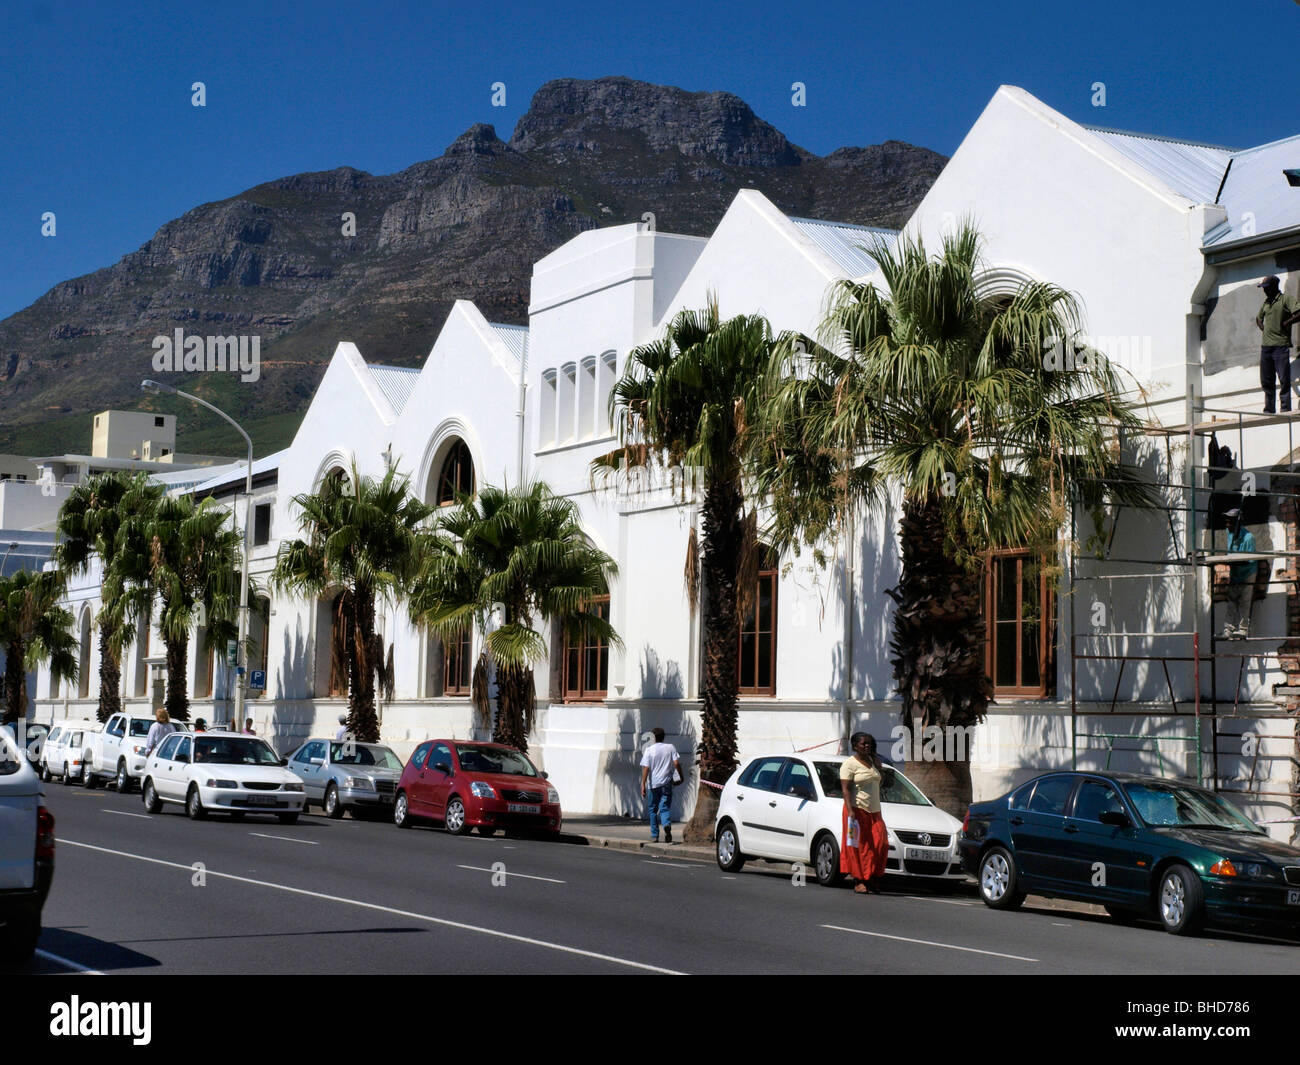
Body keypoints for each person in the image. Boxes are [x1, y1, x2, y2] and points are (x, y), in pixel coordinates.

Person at [839, 732, 889, 895]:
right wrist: (851, 811)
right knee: (860, 847)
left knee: (881, 844)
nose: (867, 746)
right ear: (855, 746)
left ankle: (873, 876)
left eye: (869, 743)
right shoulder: (849, 764)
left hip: (875, 811)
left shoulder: (873, 762)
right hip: (856, 810)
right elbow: (845, 790)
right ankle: (860, 880)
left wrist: (879, 767)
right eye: (863, 744)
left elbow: (881, 783)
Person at [1254, 275, 1300, 414]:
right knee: (1266, 380)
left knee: (1284, 378)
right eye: (1263, 288)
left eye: (1266, 288)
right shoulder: (1266, 303)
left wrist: (1286, 323)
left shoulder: (1285, 299)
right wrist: (1264, 328)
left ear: (1274, 286)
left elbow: (1298, 312)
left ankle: (1285, 408)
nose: (1264, 291)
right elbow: (1258, 318)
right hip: (1266, 346)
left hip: (1280, 345)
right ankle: (1269, 408)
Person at [638, 727, 682, 844]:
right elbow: (676, 763)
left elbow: (646, 768)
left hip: (653, 785)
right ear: (663, 737)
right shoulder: (670, 747)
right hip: (667, 783)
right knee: (664, 807)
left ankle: (654, 835)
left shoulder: (649, 750)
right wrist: (681, 776)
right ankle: (666, 824)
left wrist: (643, 784)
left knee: (653, 810)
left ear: (653, 738)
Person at [1223, 508, 1259, 639]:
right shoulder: (1229, 532)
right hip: (1235, 572)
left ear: (1238, 523)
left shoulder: (1249, 538)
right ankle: (1228, 629)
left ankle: (1243, 629)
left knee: (1245, 601)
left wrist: (1230, 562)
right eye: (1226, 522)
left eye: (1230, 522)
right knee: (1231, 601)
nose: (1227, 525)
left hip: (1247, 572)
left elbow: (1248, 561)